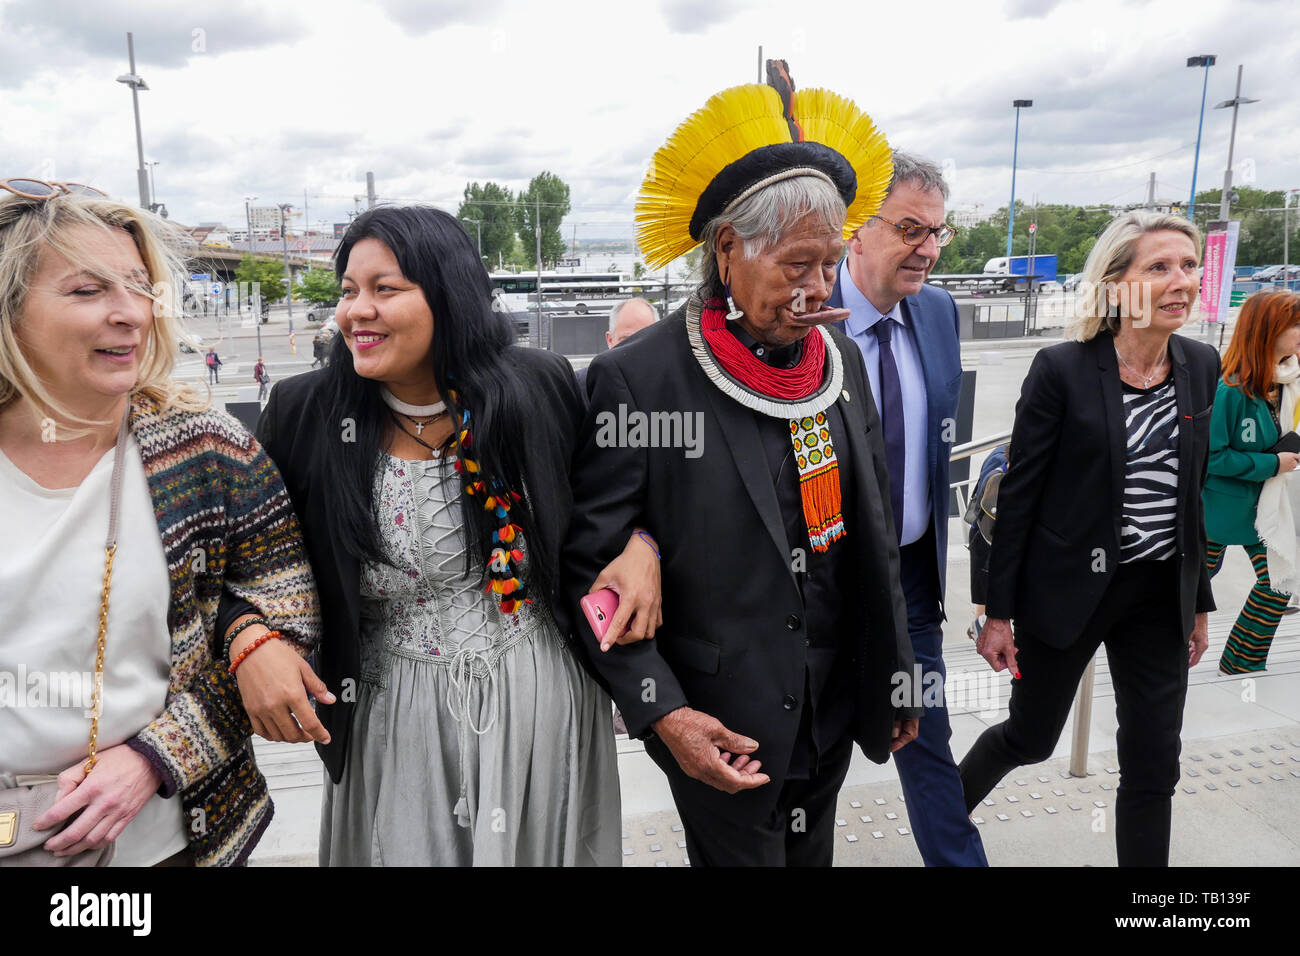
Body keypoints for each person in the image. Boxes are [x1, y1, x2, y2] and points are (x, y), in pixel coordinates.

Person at [222, 204, 662, 866]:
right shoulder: (304, 414)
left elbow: (616, 496)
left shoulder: (534, 386)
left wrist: (642, 547)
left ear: (448, 296)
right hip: (394, 727)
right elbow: (232, 568)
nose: (354, 311)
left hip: (545, 706)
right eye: (347, 290)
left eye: (384, 289)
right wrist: (247, 639)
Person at [563, 62, 919, 867]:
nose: (818, 288)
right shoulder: (641, 379)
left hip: (834, 703)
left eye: (829, 263)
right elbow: (591, 566)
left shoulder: (836, 359)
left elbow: (873, 527)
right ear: (728, 249)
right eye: (796, 265)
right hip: (720, 720)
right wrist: (665, 715)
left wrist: (893, 674)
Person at [0, 184, 321, 866]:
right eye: (88, 291)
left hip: (163, 843)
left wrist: (155, 758)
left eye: (140, 288)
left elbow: (290, 619)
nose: (130, 314)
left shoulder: (208, 450)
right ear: (9, 310)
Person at [959, 211, 1219, 867]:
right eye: (1159, 267)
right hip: (1068, 591)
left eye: (1188, 265)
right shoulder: (1063, 370)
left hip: (1160, 595)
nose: (1181, 280)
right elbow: (1018, 502)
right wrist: (997, 612)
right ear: (1116, 286)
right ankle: (942, 814)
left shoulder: (1200, 364)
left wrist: (1200, 600)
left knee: (1156, 761)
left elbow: (1187, 495)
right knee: (1030, 737)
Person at [829, 151, 986, 867]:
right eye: (911, 228)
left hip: (913, 587)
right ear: (856, 229)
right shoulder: (802, 318)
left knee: (929, 742)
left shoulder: (939, 312)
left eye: (938, 232)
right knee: (812, 756)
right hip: (819, 588)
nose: (927, 248)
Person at [1203, 289, 1300, 674]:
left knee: (1279, 582)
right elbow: (1211, 456)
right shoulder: (1231, 389)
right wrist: (1271, 463)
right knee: (1189, 588)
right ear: (1268, 329)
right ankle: (1157, 660)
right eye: (1295, 324)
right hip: (1219, 510)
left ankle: (1241, 663)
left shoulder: (1289, 380)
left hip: (1265, 510)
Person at [575, 297, 658, 394]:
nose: (637, 349)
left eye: (645, 340)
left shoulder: (672, 384)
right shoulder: (581, 387)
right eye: (627, 340)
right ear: (610, 340)